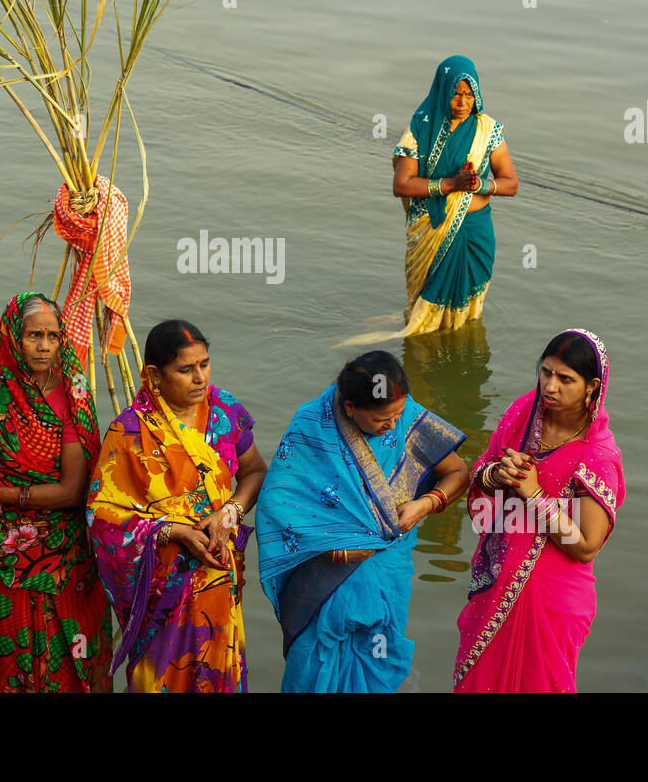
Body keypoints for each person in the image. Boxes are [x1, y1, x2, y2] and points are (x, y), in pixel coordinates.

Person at [257, 350, 471, 692]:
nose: (392, 426)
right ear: (349, 408)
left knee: (377, 654)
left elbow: (459, 473)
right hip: (322, 578)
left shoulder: (406, 415)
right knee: (314, 665)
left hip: (387, 567)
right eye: (381, 420)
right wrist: (338, 551)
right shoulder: (311, 426)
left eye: (397, 415)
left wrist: (426, 504)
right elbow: (279, 505)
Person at [87, 319, 268, 692]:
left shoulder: (224, 411)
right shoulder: (130, 433)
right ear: (154, 374)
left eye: (204, 364)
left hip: (217, 577)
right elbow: (101, 516)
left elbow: (254, 472)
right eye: (185, 370)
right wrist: (172, 531)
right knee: (160, 678)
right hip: (161, 590)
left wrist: (230, 512)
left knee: (216, 673)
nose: (199, 378)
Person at [0, 292, 112, 692]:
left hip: (68, 559)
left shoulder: (74, 394)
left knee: (71, 663)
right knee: (11, 663)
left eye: (53, 336)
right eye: (33, 336)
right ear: (12, 337)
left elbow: (74, 491)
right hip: (0, 561)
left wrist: (4, 495)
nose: (44, 346)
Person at [454, 329, 624, 692]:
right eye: (546, 372)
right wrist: (497, 476)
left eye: (566, 379)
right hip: (500, 576)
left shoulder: (596, 453)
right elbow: (481, 475)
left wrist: (533, 495)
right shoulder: (522, 412)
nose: (550, 386)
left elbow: (586, 546)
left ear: (592, 385)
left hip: (552, 598)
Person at [392, 55, 519, 334]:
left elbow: (511, 183)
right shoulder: (420, 128)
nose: (463, 102)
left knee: (466, 320)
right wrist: (450, 183)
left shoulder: (488, 130)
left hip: (475, 234)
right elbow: (401, 184)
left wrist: (480, 185)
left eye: (469, 94)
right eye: (456, 94)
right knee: (424, 320)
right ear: (442, 91)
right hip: (432, 231)